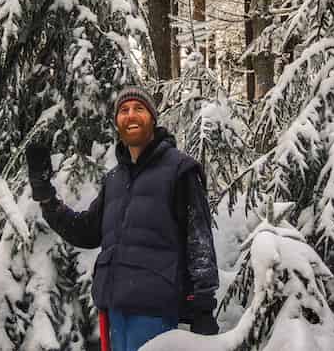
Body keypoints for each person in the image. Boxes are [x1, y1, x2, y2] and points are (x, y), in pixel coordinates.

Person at [25, 86, 219, 351]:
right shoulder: (115, 179)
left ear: (152, 118)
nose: (131, 116)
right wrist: (47, 197)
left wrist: (203, 307)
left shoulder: (179, 169)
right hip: (114, 310)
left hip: (155, 311)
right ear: (117, 122)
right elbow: (86, 231)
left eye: (139, 109)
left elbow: (199, 239)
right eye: (124, 111)